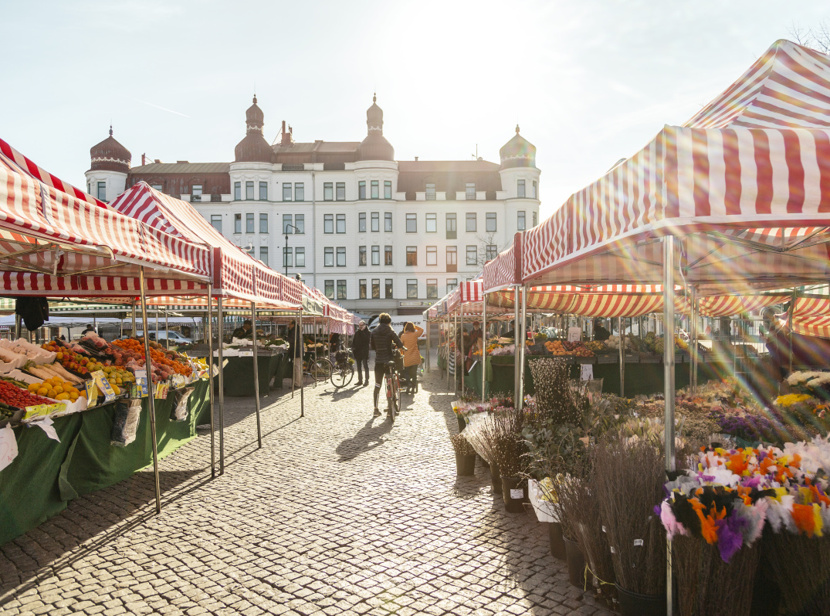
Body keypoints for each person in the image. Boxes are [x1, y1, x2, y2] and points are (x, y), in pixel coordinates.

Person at [370, 313, 405, 417]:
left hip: (379, 361)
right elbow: (399, 343)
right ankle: (391, 406)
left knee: (377, 384)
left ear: (380, 321)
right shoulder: (390, 330)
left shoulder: (374, 331)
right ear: (389, 322)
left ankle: (376, 409)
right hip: (389, 360)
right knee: (391, 380)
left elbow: (372, 346)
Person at [399, 322, 424, 394]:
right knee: (414, 374)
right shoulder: (415, 335)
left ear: (405, 328)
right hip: (415, 357)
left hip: (407, 357)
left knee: (406, 372)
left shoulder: (403, 336)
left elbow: (401, 346)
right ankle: (413, 388)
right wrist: (414, 326)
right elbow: (421, 330)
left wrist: (401, 353)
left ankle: (409, 383)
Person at [352, 321, 371, 386]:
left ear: (365, 325)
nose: (360, 327)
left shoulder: (368, 332)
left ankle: (366, 380)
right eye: (359, 325)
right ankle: (360, 380)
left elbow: (367, 340)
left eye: (361, 325)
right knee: (359, 367)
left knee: (365, 366)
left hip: (364, 352)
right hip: (358, 352)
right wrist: (353, 348)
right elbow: (354, 341)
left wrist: (363, 331)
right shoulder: (357, 332)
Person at [287, 320, 303, 385]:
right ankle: (298, 381)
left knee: (297, 367)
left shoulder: (294, 331)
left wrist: (286, 339)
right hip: (298, 350)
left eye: (290, 324)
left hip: (296, 351)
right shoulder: (297, 330)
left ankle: (297, 383)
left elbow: (292, 340)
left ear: (293, 325)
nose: (289, 326)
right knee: (297, 367)